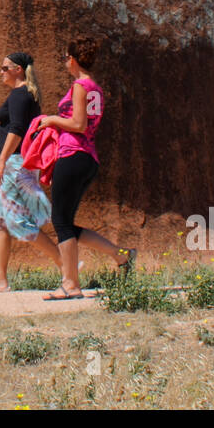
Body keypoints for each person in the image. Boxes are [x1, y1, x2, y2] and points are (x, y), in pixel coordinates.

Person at [36, 36, 135, 300]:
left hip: (73, 154)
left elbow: (78, 124)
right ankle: (121, 255)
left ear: (74, 59)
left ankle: (70, 284)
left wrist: (52, 119)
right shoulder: (96, 88)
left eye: (66, 57)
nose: (65, 62)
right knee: (65, 222)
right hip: (87, 157)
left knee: (60, 221)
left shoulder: (80, 85)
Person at [0, 51, 62, 292]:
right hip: (16, 161)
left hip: (14, 163)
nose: (1, 72)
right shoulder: (24, 95)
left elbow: (18, 130)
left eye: (5, 68)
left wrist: (1, 161)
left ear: (18, 70)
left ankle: (66, 265)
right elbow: (11, 129)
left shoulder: (20, 95)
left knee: (19, 222)